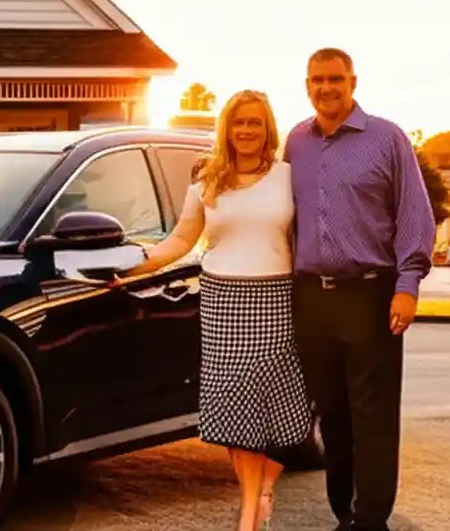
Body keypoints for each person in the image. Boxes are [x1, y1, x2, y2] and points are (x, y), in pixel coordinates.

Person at [120, 89, 313, 531]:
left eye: (256, 123)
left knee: (280, 413)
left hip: (276, 300)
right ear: (226, 129)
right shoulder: (207, 182)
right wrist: (132, 266)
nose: (247, 131)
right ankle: (249, 514)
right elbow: (179, 242)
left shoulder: (289, 178)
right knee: (235, 410)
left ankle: (264, 487)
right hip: (223, 301)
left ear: (268, 130)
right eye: (239, 122)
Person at [283, 47, 436, 531]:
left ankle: (371, 519)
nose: (326, 87)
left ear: (353, 81)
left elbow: (415, 215)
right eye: (317, 79)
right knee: (331, 412)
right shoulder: (296, 143)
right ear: (306, 85)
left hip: (371, 293)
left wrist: (407, 285)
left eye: (335, 78)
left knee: (372, 412)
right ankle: (343, 512)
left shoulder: (387, 139)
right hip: (312, 297)